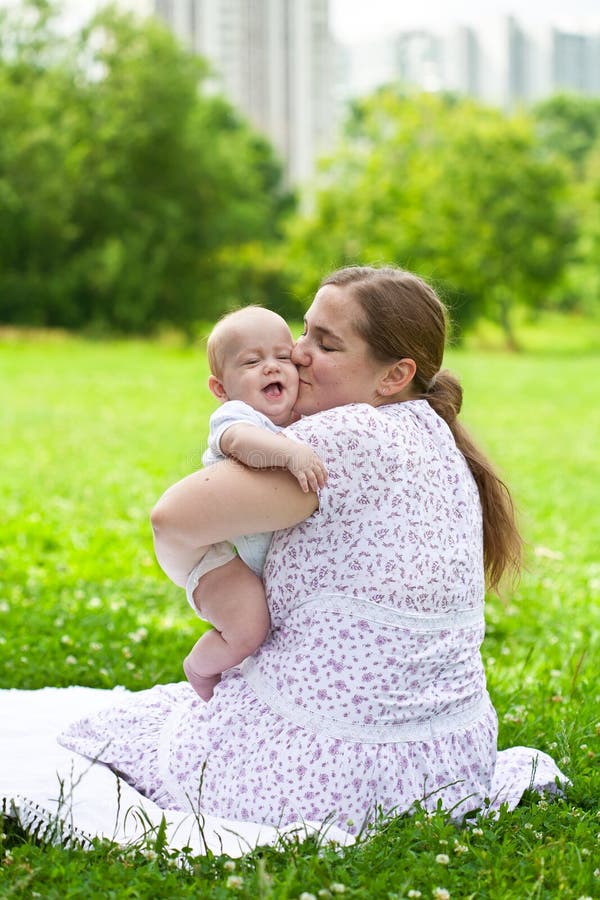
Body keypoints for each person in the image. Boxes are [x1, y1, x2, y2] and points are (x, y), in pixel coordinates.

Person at [59, 266, 565, 832]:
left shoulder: (345, 436)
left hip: (335, 771)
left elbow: (170, 519)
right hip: (448, 762)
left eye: (324, 344)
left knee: (132, 733)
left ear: (395, 375)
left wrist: (210, 581)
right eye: (304, 332)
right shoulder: (434, 433)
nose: (296, 355)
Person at [183, 306, 327, 700]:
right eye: (252, 361)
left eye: (283, 357)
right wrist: (289, 454)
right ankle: (199, 667)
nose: (271, 368)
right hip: (219, 565)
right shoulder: (236, 415)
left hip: (259, 562)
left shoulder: (295, 417)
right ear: (220, 388)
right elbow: (240, 443)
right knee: (249, 628)